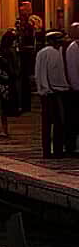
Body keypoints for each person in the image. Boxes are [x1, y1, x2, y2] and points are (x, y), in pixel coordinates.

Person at [35, 31, 70, 159]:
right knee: (50, 122)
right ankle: (48, 150)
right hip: (50, 92)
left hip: (59, 91)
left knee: (58, 122)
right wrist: (45, 89)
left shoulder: (60, 52)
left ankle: (57, 149)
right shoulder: (45, 53)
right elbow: (41, 73)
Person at [0, 30, 21, 137]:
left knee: (1, 106)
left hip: (0, 80)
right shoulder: (10, 52)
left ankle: (4, 129)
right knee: (5, 106)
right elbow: (15, 69)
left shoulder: (0, 51)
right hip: (7, 81)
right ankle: (4, 129)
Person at [15, 2, 43, 112]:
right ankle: (23, 103)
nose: (22, 13)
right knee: (22, 79)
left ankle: (26, 104)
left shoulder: (33, 21)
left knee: (26, 78)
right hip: (21, 51)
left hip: (28, 52)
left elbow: (35, 33)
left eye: (23, 11)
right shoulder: (19, 22)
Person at [65, 23, 79, 156]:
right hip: (75, 90)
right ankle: (71, 145)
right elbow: (73, 70)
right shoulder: (73, 49)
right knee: (73, 120)